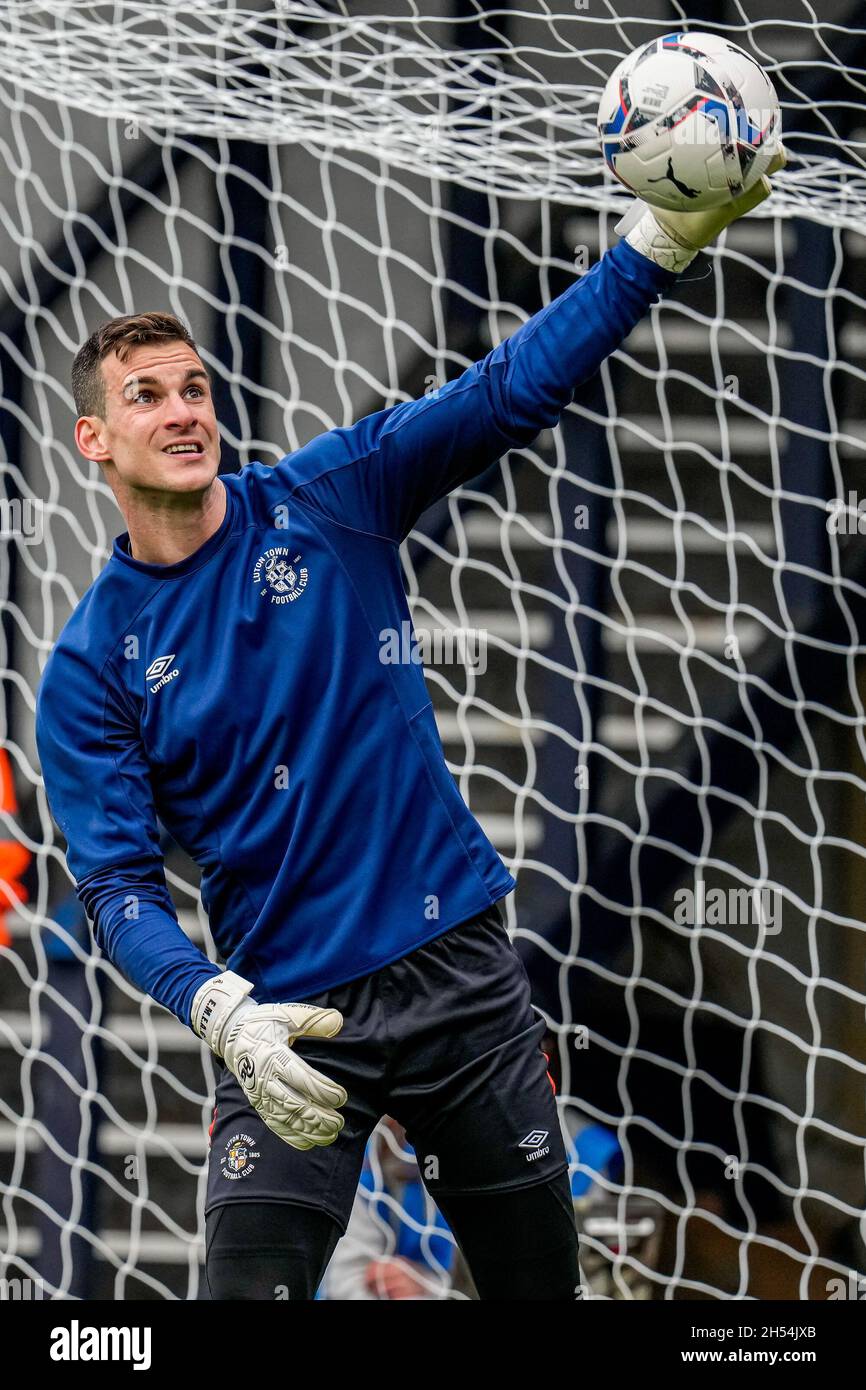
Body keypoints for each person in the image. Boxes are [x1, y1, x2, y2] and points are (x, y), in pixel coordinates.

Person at [35, 154, 785, 1301]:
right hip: (284, 1014)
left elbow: (503, 391)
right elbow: (118, 887)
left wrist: (653, 247)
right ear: (94, 441)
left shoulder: (330, 496)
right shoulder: (89, 663)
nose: (181, 409)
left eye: (193, 387)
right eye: (146, 395)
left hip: (459, 982)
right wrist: (216, 1009)